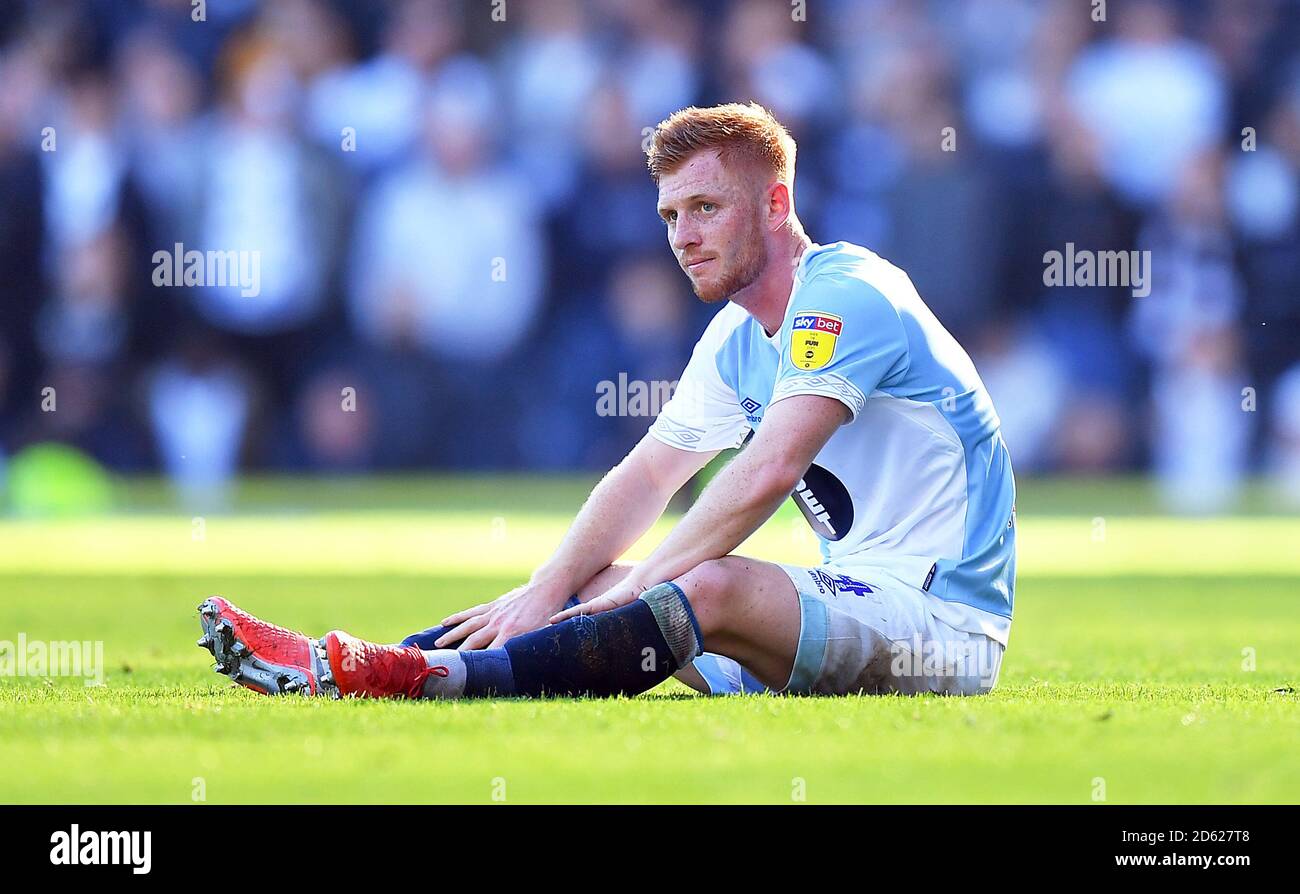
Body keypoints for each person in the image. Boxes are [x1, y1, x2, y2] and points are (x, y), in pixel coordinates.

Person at [197, 102, 1016, 700]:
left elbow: (768, 470)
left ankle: (425, 681)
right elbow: (648, 477)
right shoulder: (737, 335)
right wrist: (548, 587)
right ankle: (359, 662)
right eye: (669, 214)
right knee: (590, 584)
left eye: (705, 207)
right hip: (849, 607)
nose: (682, 236)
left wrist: (646, 587)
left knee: (705, 586)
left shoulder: (850, 294)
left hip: (939, 630)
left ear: (775, 204)